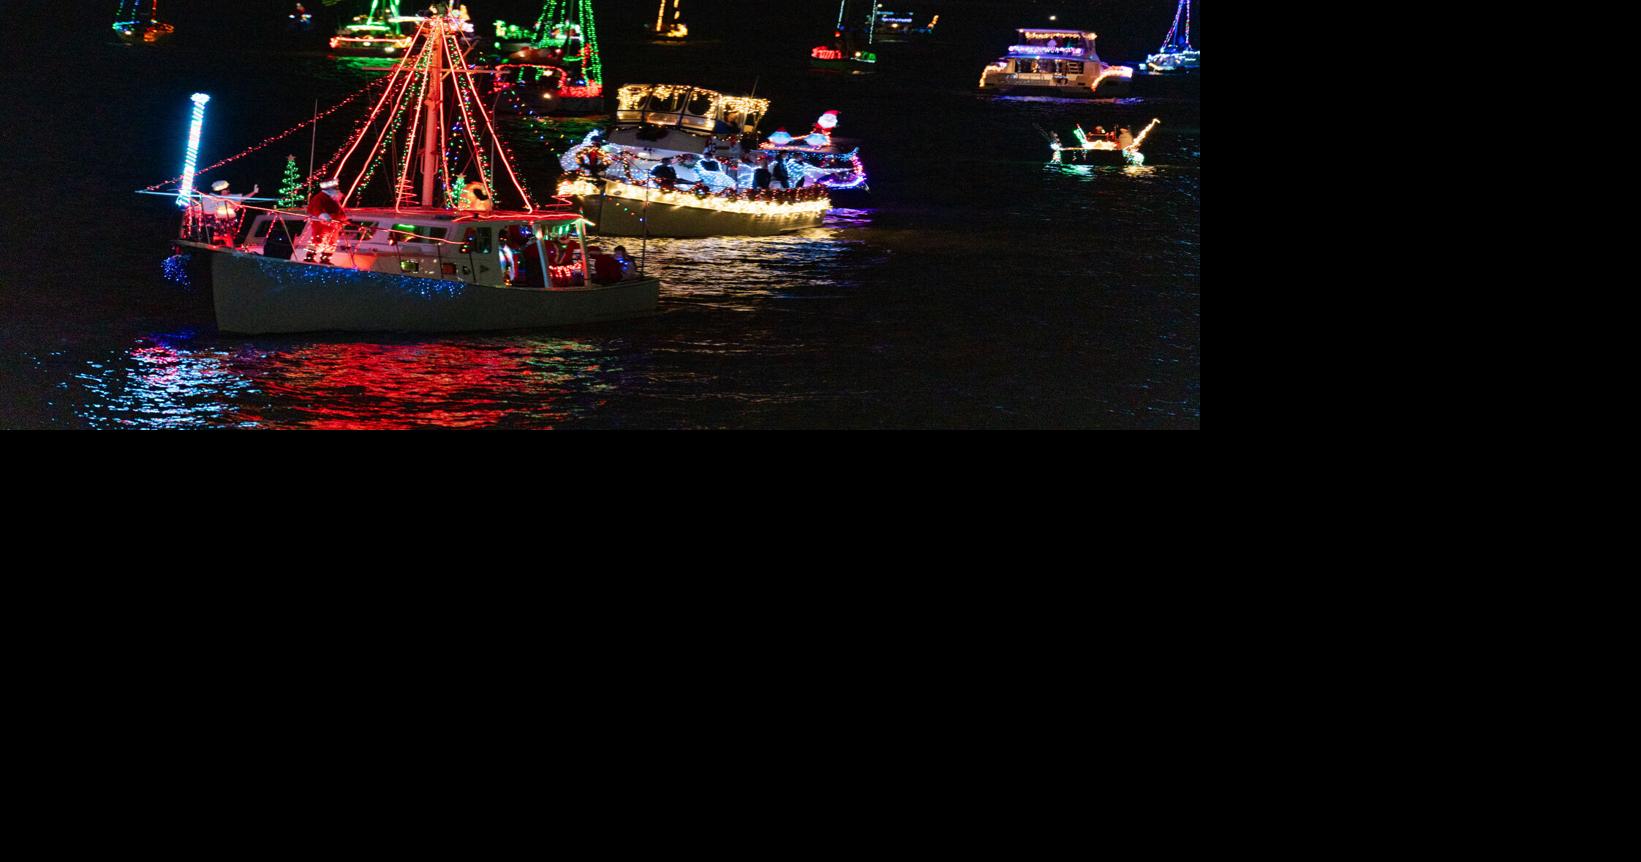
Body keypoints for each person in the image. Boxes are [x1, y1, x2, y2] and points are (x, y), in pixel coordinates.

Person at [305, 179, 347, 263]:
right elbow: (315, 209)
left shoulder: (333, 199)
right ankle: (310, 257)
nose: (337, 190)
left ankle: (325, 258)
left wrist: (343, 218)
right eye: (335, 188)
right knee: (317, 240)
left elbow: (340, 212)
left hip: (333, 226)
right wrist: (323, 215)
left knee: (331, 242)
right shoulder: (320, 198)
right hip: (322, 225)